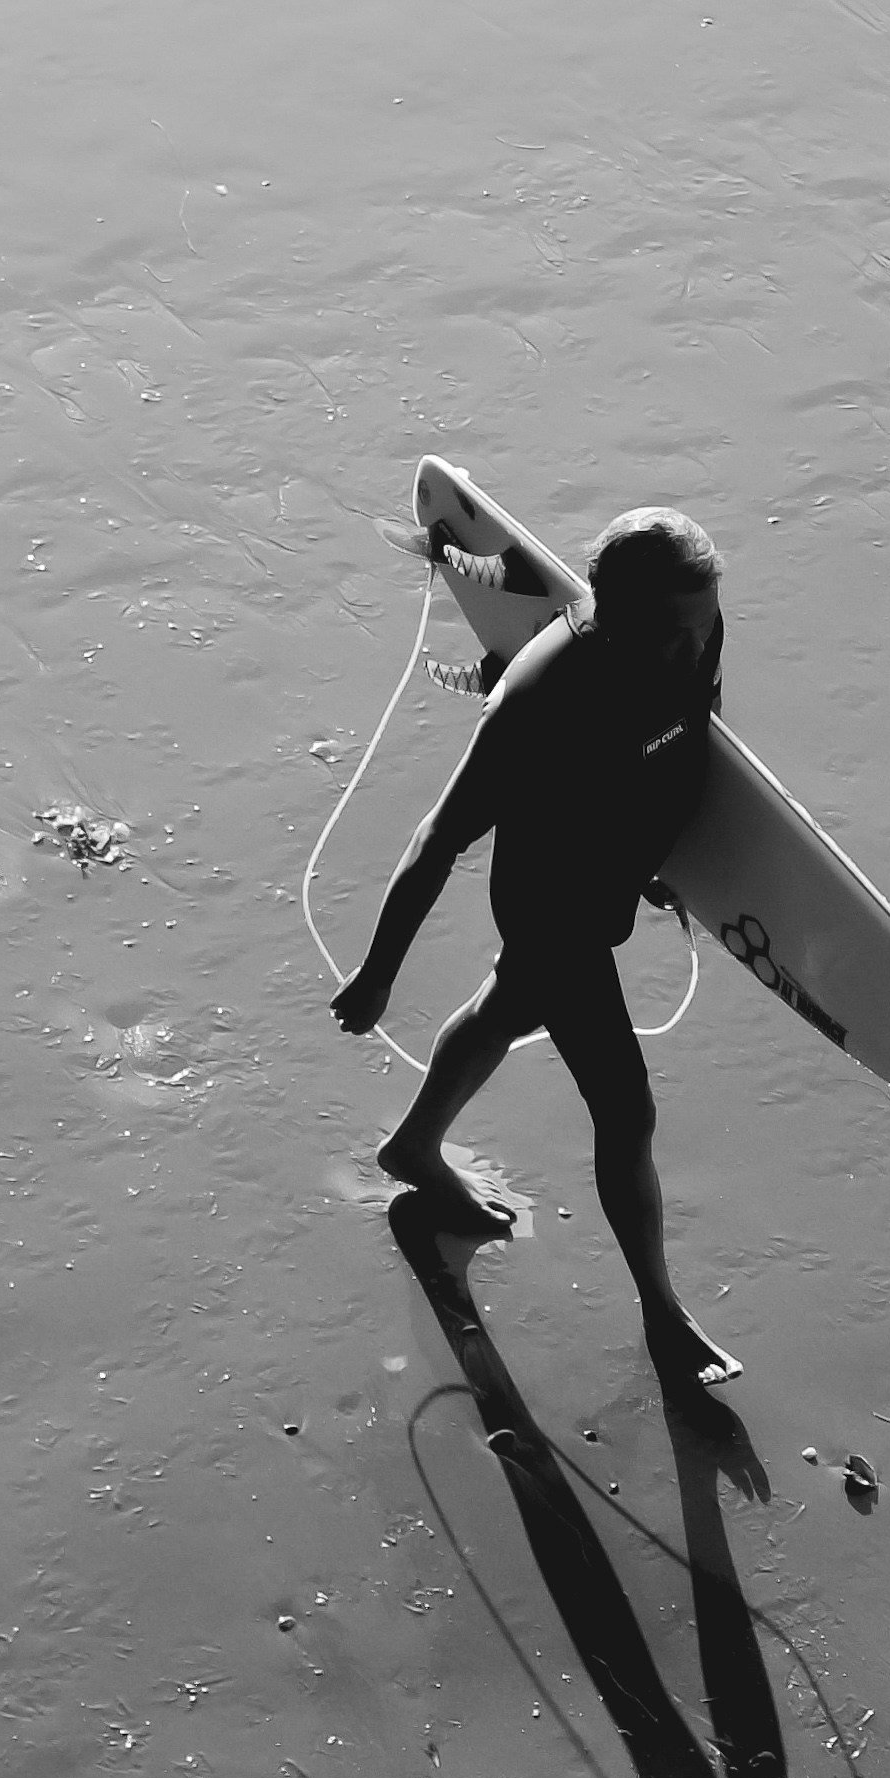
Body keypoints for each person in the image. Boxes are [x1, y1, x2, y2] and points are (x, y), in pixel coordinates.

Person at [333, 490, 738, 1390]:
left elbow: (673, 740)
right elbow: (439, 837)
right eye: (671, 633)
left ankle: (413, 1147)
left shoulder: (690, 631)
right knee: (626, 1114)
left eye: (703, 626)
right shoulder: (539, 699)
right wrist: (377, 975)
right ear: (608, 616)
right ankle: (664, 1318)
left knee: (504, 1006)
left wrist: (665, 857)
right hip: (553, 908)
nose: (693, 649)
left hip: (605, 879)